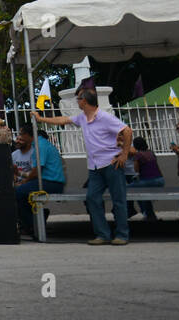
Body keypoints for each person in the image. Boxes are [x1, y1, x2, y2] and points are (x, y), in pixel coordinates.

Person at [37, 86, 130, 245]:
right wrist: (41, 119)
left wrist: (124, 154)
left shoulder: (104, 117)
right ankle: (103, 234)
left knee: (118, 200)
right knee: (92, 198)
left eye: (78, 98)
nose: (77, 101)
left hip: (111, 163)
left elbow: (127, 131)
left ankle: (122, 235)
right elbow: (63, 120)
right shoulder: (82, 118)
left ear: (84, 101)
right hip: (94, 166)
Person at [12, 124, 66, 237]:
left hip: (51, 183)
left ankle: (32, 225)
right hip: (48, 181)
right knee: (21, 191)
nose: (20, 137)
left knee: (18, 192)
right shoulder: (38, 144)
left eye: (21, 134)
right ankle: (37, 218)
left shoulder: (40, 146)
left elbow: (37, 171)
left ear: (27, 135)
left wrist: (24, 182)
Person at [131, 137, 164, 222]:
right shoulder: (151, 152)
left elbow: (136, 171)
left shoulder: (137, 155)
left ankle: (145, 212)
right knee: (143, 193)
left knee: (128, 188)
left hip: (149, 181)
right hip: (160, 180)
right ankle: (150, 214)